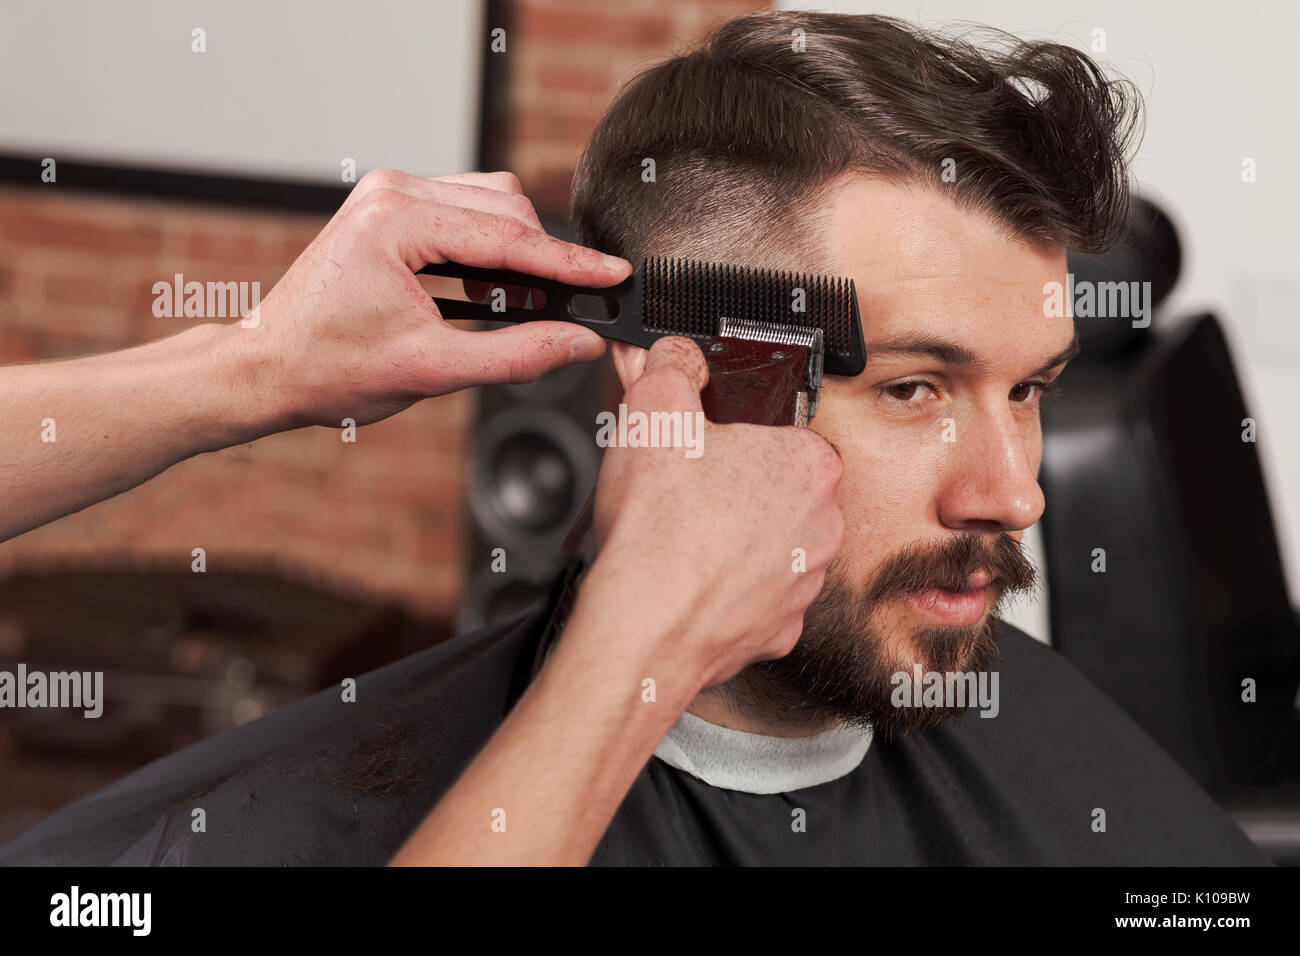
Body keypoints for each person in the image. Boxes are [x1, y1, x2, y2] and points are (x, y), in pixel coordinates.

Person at [0, 12, 1269, 866]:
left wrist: (257, 363)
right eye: (911, 387)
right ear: (676, 376)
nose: (1013, 493)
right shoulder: (251, 831)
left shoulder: (1086, 780)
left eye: (1030, 388)